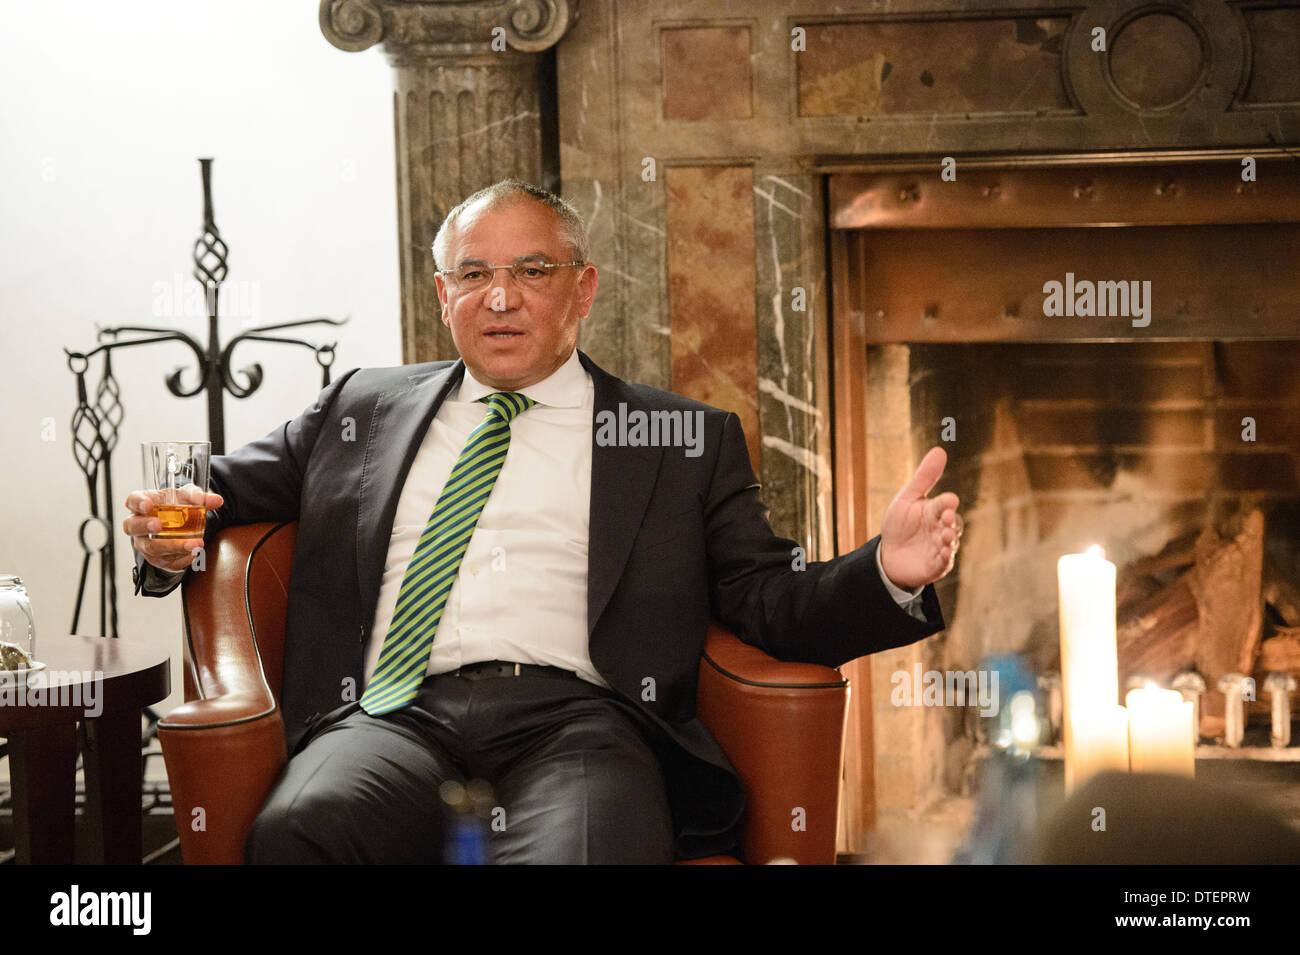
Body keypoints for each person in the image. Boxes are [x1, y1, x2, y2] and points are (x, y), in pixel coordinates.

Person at [123, 179, 963, 864]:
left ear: (583, 288)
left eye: (531, 270)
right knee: (298, 832)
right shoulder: (361, 407)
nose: (501, 298)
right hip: (387, 712)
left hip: (582, 720)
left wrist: (884, 570)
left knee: (588, 851)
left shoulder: (681, 439)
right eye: (475, 274)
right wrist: (166, 539)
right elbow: (209, 494)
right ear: (444, 293)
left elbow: (765, 598)